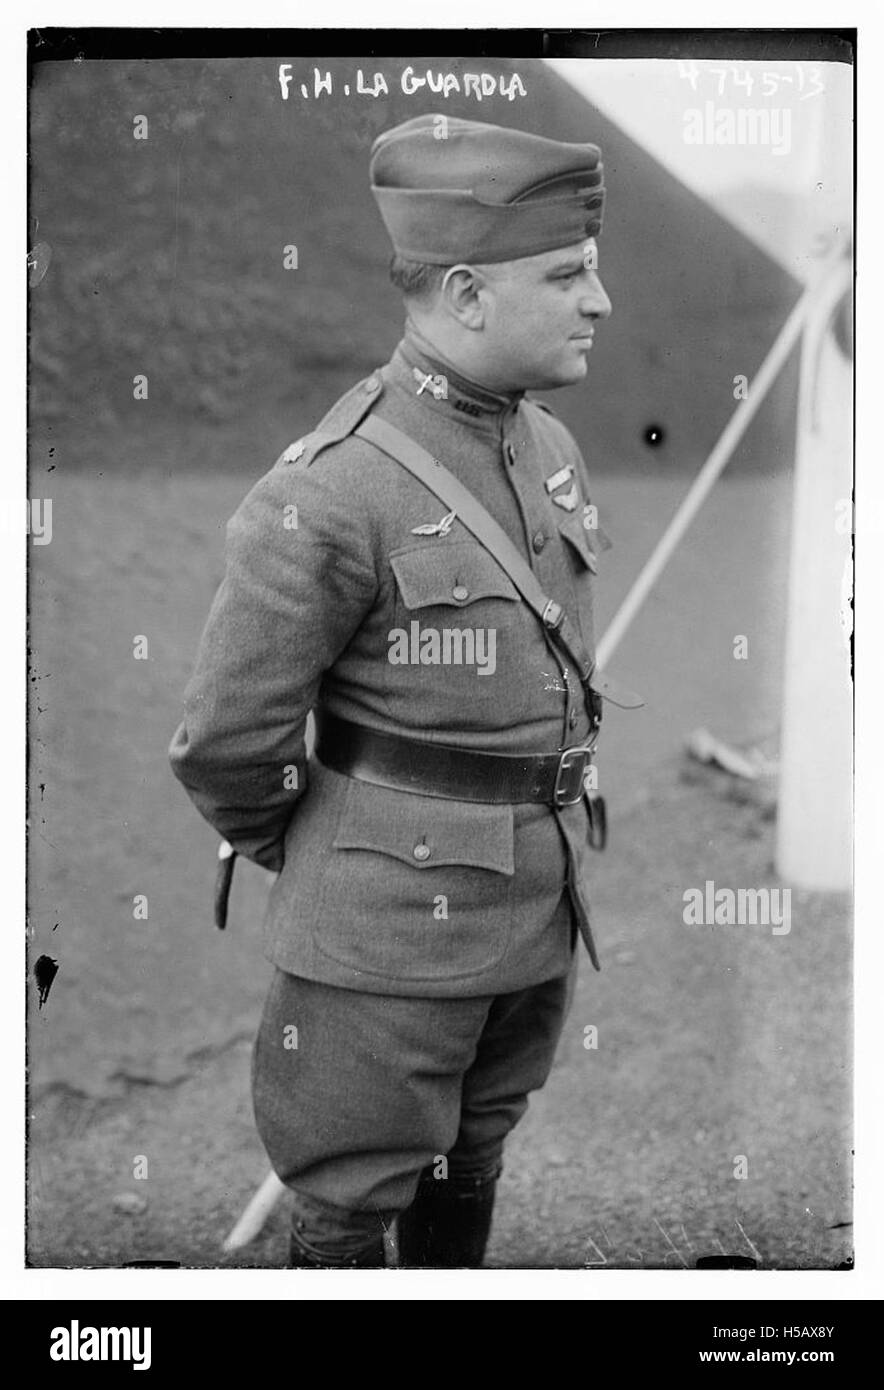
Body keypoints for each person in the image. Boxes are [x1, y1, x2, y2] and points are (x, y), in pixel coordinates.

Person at [169, 112, 640, 1269]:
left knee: (474, 1147)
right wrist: (346, 854)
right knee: (348, 1198)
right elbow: (226, 739)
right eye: (567, 273)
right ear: (468, 295)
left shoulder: (550, 448)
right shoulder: (330, 494)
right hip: (386, 935)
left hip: (536, 897)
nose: (600, 300)